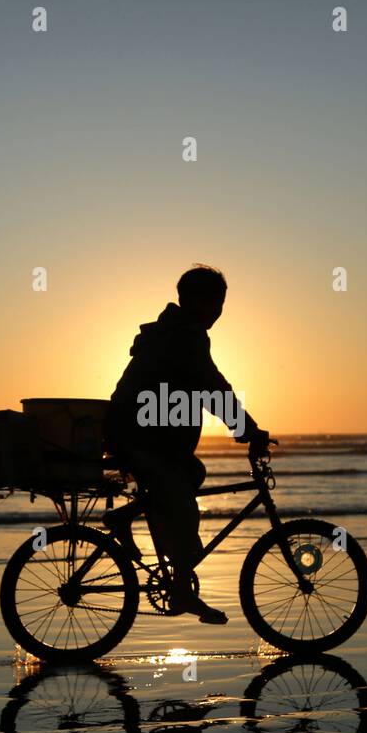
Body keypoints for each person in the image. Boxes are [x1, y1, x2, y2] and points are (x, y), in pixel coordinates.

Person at [105, 265, 271, 625]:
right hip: (141, 438)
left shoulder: (174, 332)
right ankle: (181, 590)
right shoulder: (184, 336)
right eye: (217, 302)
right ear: (197, 301)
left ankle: (124, 518)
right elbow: (211, 385)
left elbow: (206, 387)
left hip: (145, 437)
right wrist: (248, 429)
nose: (219, 311)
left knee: (192, 472)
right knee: (182, 505)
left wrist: (242, 426)